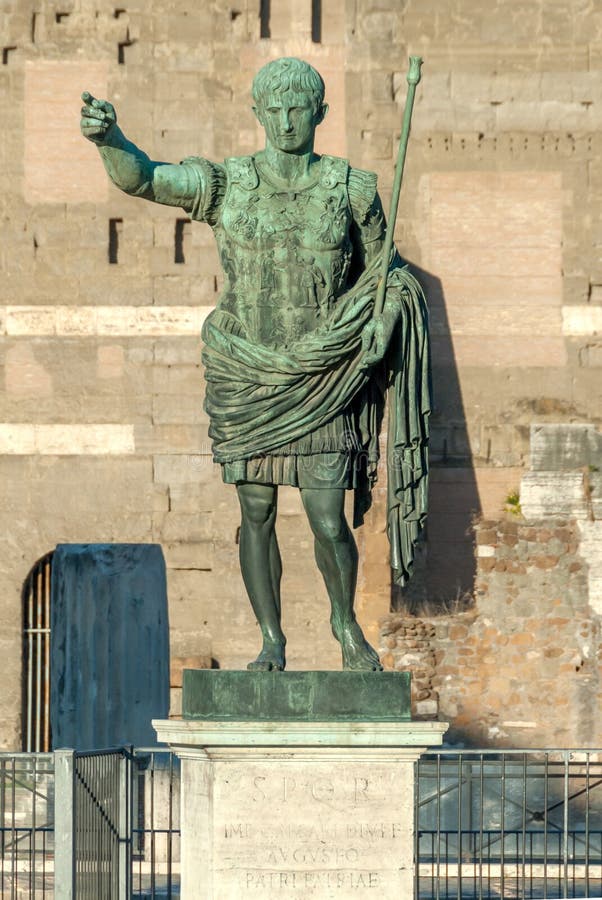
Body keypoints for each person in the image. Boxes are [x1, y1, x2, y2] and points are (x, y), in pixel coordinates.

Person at [80, 57, 430, 672]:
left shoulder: (354, 189)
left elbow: (387, 276)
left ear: (320, 114)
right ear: (258, 114)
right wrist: (110, 139)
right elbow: (144, 179)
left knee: (327, 517)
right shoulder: (227, 184)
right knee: (257, 510)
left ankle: (346, 625)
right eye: (275, 110)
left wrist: (382, 322)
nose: (287, 120)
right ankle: (271, 641)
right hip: (246, 371)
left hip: (326, 375)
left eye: (300, 109)